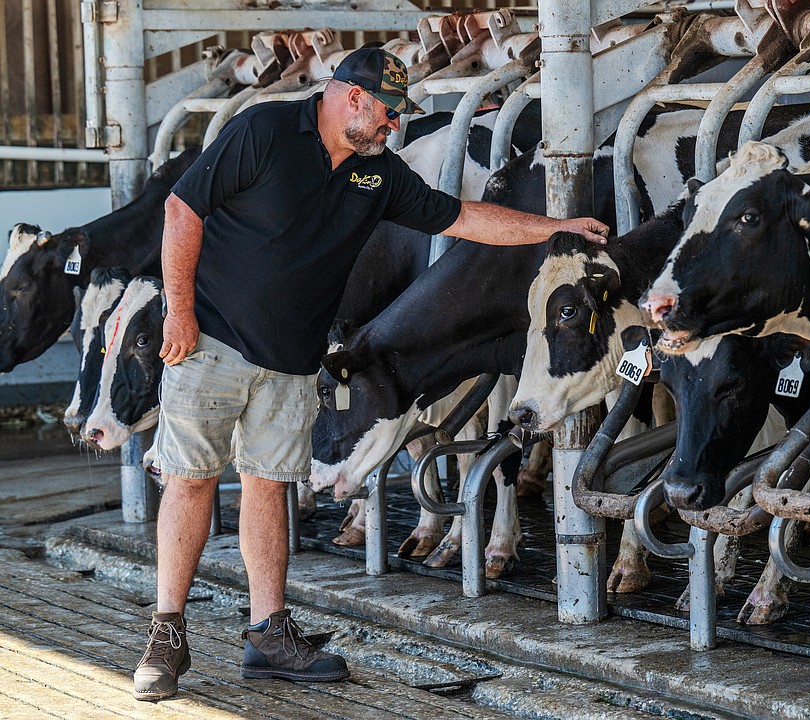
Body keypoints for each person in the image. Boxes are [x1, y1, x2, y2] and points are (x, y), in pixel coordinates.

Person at [132, 47, 608, 701]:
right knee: (191, 483)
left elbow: (463, 217)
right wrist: (179, 314)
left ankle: (269, 635)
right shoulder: (265, 130)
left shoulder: (375, 175)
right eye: (387, 114)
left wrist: (556, 229)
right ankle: (165, 635)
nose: (393, 128)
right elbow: (183, 210)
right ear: (351, 97)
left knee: (267, 488)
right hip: (210, 343)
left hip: (292, 364)